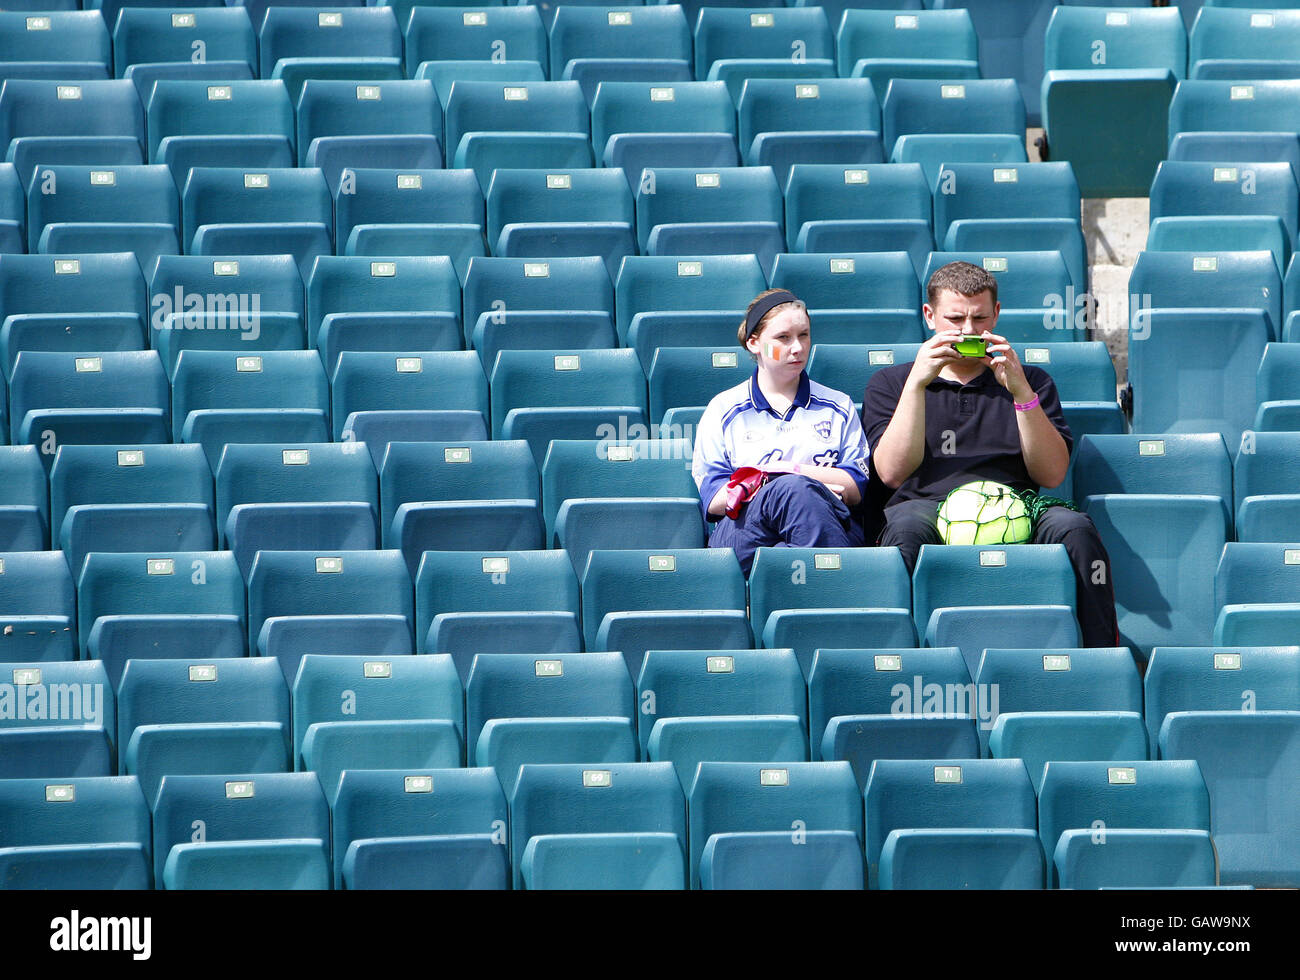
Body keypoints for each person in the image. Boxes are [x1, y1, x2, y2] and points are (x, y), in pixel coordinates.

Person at [861, 261, 1118, 647]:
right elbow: (892, 473)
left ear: (996, 315)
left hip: (1016, 502)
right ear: (929, 316)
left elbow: (1051, 473)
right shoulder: (892, 382)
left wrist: (1020, 393)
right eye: (955, 319)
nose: (968, 331)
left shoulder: (1031, 380)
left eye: (980, 319)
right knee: (905, 532)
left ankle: (1100, 659)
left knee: (1076, 529)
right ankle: (900, 660)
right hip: (926, 504)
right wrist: (917, 384)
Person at [692, 288, 870, 575]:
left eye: (804, 335)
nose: (797, 347)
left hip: (831, 524)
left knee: (794, 508)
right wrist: (781, 481)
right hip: (743, 533)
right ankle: (836, 589)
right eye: (783, 338)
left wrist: (790, 468)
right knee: (793, 489)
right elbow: (714, 499)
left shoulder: (837, 405)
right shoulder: (723, 409)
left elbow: (854, 487)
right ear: (754, 343)